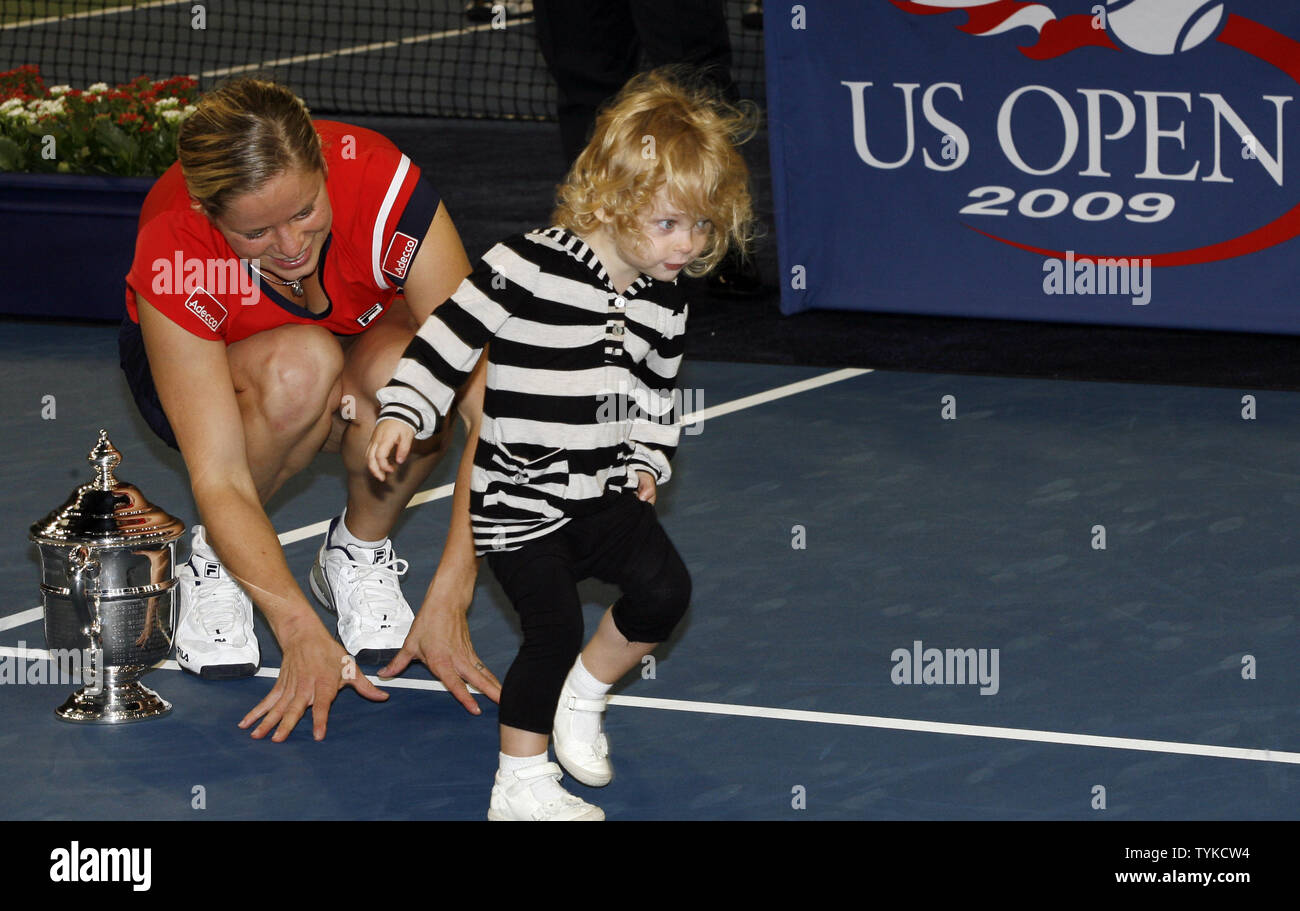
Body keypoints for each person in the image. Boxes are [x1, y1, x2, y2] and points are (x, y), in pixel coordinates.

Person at [366, 69, 756, 818]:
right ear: (614, 198)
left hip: (602, 493)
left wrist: (646, 456)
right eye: (669, 224)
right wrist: (405, 409)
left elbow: (655, 390)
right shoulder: (528, 264)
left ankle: (585, 694)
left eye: (702, 227)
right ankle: (520, 786)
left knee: (664, 591)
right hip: (519, 500)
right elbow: (446, 337)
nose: (688, 246)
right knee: (552, 628)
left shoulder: (663, 296)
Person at [120, 78, 502, 742]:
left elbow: (497, 412)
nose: (291, 246)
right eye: (256, 231)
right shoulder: (176, 242)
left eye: (304, 211)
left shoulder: (385, 191)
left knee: (411, 381)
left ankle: (358, 548)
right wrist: (296, 627)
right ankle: (219, 558)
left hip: (359, 341)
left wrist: (454, 589)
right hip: (228, 370)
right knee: (301, 368)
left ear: (324, 171)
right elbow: (220, 475)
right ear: (209, 213)